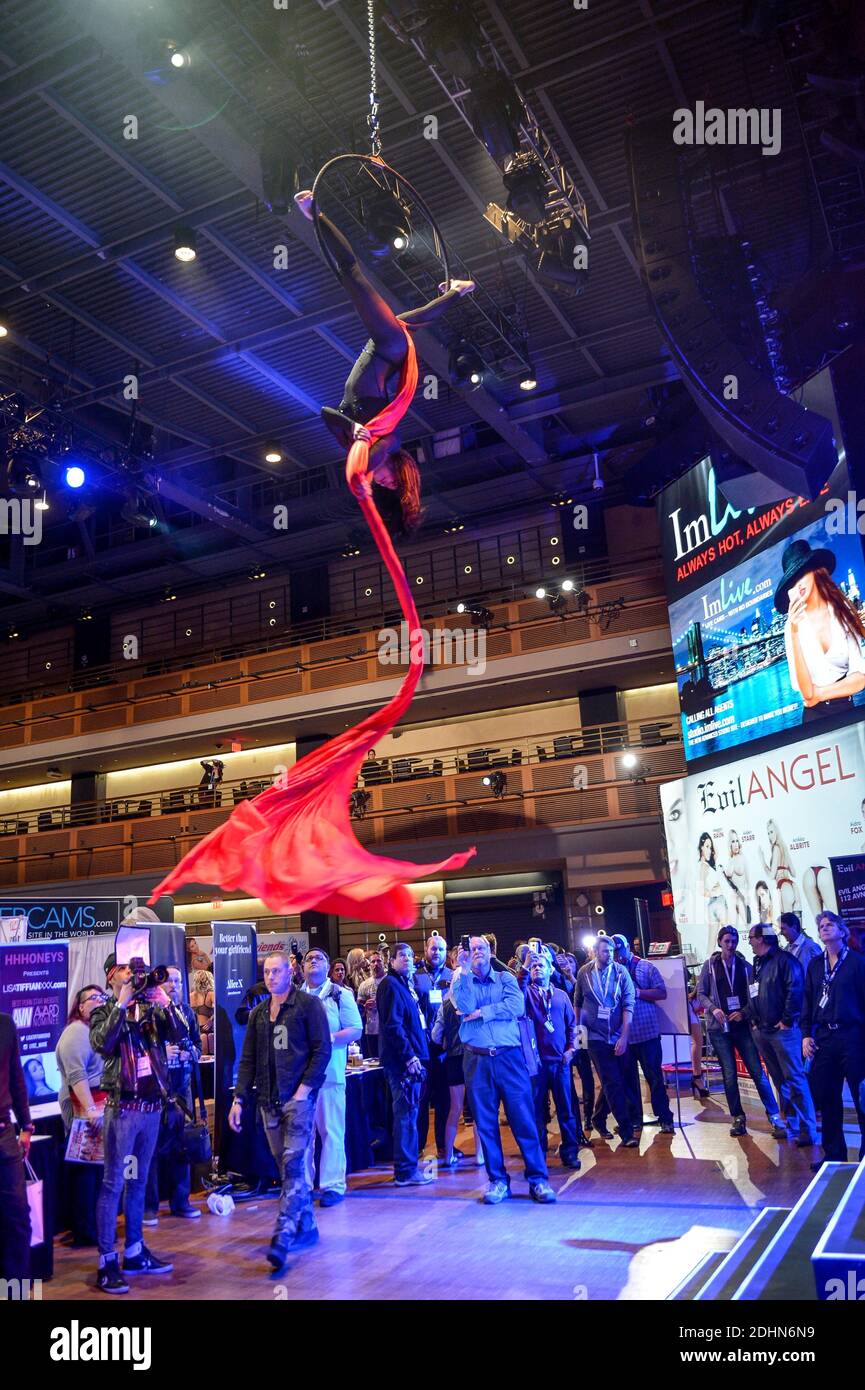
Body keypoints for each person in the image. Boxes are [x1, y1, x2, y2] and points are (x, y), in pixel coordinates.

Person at [295, 188, 474, 535]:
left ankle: (457, 290)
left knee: (414, 319)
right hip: (386, 348)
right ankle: (316, 212)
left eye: (387, 487)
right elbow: (374, 459)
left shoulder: (357, 442)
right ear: (397, 468)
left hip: (385, 350)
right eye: (394, 482)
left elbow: (325, 413)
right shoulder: (388, 441)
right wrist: (360, 480)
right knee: (350, 273)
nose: (387, 482)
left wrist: (352, 430)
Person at [89, 953, 188, 1294]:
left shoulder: (152, 1010)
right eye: (125, 970)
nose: (132, 975)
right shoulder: (104, 1010)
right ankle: (106, 1261)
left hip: (150, 1108)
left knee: (139, 1182)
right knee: (113, 1183)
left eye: (135, 971)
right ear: (110, 977)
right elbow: (103, 1043)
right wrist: (121, 1003)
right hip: (123, 1108)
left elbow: (180, 1033)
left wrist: (166, 1000)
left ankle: (134, 1250)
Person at [229, 954, 332, 1272]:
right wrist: (239, 1100)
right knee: (287, 1170)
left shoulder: (307, 1005)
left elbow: (322, 1049)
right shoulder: (259, 1014)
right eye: (267, 972)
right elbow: (247, 1061)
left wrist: (304, 1091)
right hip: (267, 1103)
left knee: (293, 1166)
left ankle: (283, 1234)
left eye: (277, 971)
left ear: (291, 972)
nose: (271, 976)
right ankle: (308, 1225)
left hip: (298, 1102)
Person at [451, 935, 556, 1204]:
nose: (476, 952)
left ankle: (538, 1180)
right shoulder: (461, 979)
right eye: (472, 949)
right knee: (485, 1124)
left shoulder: (506, 979)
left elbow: (516, 1005)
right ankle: (498, 1181)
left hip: (510, 1059)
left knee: (523, 1119)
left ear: (490, 951)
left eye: (481, 948)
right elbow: (464, 1006)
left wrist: (484, 1012)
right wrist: (462, 971)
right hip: (477, 1060)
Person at [696, 927, 785, 1139]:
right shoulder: (709, 966)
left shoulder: (745, 966)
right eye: (727, 941)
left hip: (741, 1027)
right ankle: (738, 1117)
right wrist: (714, 1009)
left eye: (734, 941)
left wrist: (744, 1013)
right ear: (719, 942)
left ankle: (774, 1116)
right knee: (729, 1074)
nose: (731, 945)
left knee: (757, 1071)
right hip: (719, 1028)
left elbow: (754, 995)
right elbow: (701, 993)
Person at [778, 537, 865, 724]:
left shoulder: (843, 610)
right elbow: (807, 693)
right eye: (792, 582)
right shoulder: (791, 627)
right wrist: (793, 632)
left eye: (800, 574)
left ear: (815, 570)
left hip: (847, 710)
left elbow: (860, 678)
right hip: (813, 717)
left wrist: (821, 693)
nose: (797, 584)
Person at [300, 948, 363, 1207]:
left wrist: (329, 1040)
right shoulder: (295, 997)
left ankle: (332, 1185)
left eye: (319, 958)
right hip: (301, 1080)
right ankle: (302, 1186)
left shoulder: (340, 994)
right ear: (302, 968)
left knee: (331, 1132)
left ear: (327, 967)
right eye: (308, 959)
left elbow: (356, 1029)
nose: (313, 961)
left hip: (330, 1075)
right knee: (302, 1136)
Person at [802, 911, 865, 1166]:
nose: (825, 928)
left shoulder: (858, 963)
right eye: (822, 926)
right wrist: (806, 1034)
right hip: (824, 1038)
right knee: (828, 1099)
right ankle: (834, 1154)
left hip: (853, 1036)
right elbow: (806, 1001)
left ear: (842, 931)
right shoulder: (816, 965)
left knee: (862, 1099)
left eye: (830, 925)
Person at [748, 924, 818, 1147]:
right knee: (780, 1081)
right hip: (762, 1031)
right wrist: (754, 1020)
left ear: (761, 939)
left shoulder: (786, 961)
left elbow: (796, 991)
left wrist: (787, 1020)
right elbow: (754, 992)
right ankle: (792, 1124)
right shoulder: (758, 963)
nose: (748, 941)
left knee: (795, 1079)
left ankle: (808, 1128)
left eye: (751, 938)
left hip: (783, 1032)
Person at [144, 966, 202, 1224]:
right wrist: (162, 1056)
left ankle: (182, 1201)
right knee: (150, 1149)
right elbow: (141, 1052)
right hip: (155, 1090)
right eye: (169, 980)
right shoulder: (148, 1013)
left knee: (182, 1148)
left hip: (183, 1089)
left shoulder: (187, 1012)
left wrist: (190, 1053)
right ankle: (149, 1207)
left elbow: (198, 1049)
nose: (174, 985)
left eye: (179, 980)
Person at [376, 942, 434, 1187]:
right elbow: (393, 1025)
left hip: (413, 1057)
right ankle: (405, 1170)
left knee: (410, 1114)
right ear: (392, 961)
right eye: (402, 956)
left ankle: (408, 1167)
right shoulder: (390, 985)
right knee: (405, 1116)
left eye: (410, 955)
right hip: (403, 1062)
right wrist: (409, 1057)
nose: (408, 959)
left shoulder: (406, 985)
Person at [521, 948, 583, 1167]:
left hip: (560, 1062)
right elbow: (519, 988)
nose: (538, 968)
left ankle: (570, 1152)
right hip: (535, 1065)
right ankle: (538, 1155)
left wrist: (571, 1049)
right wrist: (524, 967)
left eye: (541, 965)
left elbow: (572, 1025)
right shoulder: (526, 994)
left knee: (566, 1109)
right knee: (536, 1112)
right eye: (534, 966)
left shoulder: (561, 996)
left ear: (550, 970)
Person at [574, 935, 638, 1147]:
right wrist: (579, 1038)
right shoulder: (585, 972)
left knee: (615, 1080)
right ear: (594, 952)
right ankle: (627, 1132)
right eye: (604, 951)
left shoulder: (621, 972)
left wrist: (624, 1036)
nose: (609, 955)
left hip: (617, 1034)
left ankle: (598, 1118)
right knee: (612, 1081)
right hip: (594, 1037)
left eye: (611, 951)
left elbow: (629, 1005)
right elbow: (579, 1003)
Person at [56, 984, 106, 1247]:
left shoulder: (97, 1031)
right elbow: (77, 1076)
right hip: (84, 1107)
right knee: (85, 1173)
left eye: (102, 997)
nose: (99, 1001)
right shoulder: (76, 1032)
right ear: (81, 1006)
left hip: (100, 1104)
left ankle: (93, 1226)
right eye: (92, 998)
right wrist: (89, 1110)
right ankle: (85, 1230)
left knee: (96, 1172)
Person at [610, 934, 675, 1135]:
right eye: (614, 951)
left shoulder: (645, 966)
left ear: (628, 947)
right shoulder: (610, 973)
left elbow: (662, 993)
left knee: (654, 1078)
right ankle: (634, 1119)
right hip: (625, 1036)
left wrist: (638, 993)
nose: (618, 955)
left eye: (620, 950)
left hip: (648, 1033)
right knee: (628, 1080)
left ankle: (665, 1118)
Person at [413, 933, 454, 1161]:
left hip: (445, 1047)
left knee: (444, 1099)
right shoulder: (416, 977)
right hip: (422, 1046)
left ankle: (443, 1145)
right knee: (421, 1098)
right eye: (433, 949)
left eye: (440, 949)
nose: (436, 952)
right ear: (426, 950)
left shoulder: (452, 976)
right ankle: (418, 1146)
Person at [0, 1011, 33, 1286]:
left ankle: (16, 1293)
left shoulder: (5, 1024)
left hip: (4, 1134)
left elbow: (16, 1076)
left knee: (17, 1218)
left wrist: (26, 1125)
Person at [356, 949, 386, 1057]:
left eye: (379, 961)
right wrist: (364, 1007)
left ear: (384, 962)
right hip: (371, 1029)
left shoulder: (390, 981)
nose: (376, 964)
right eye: (373, 962)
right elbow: (359, 1010)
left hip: (387, 1029)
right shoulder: (364, 985)